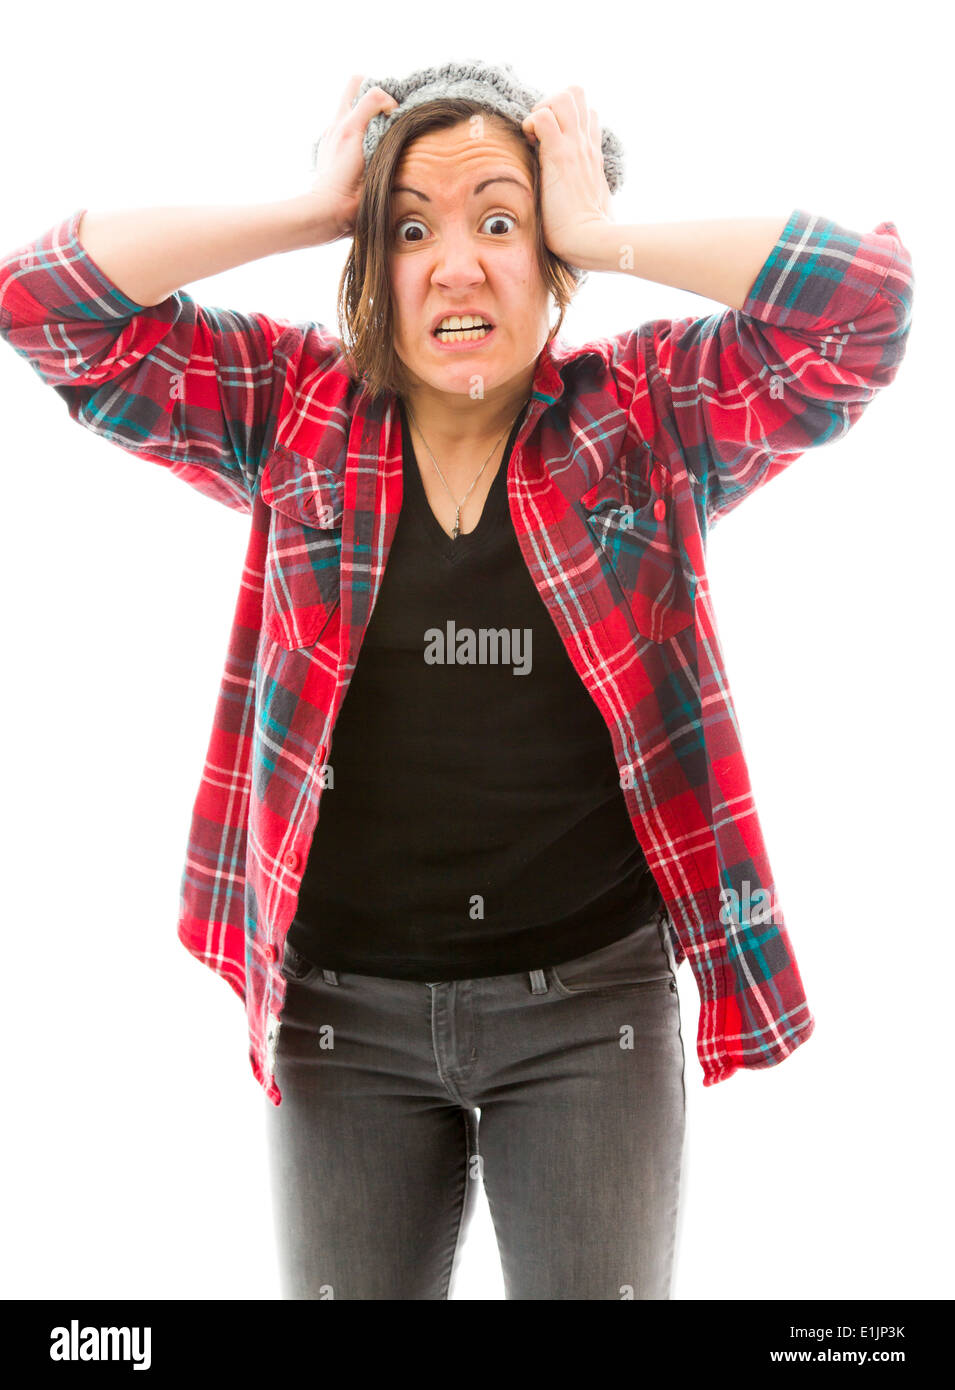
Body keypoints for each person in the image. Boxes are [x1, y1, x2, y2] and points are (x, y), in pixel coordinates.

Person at [0, 60, 913, 1300]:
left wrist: (601, 227)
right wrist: (316, 209)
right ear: (372, 266)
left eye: (502, 221)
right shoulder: (293, 410)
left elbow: (863, 309)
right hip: (341, 1019)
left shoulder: (639, 415)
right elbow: (46, 304)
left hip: (592, 1010)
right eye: (409, 230)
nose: (457, 265)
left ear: (551, 258)